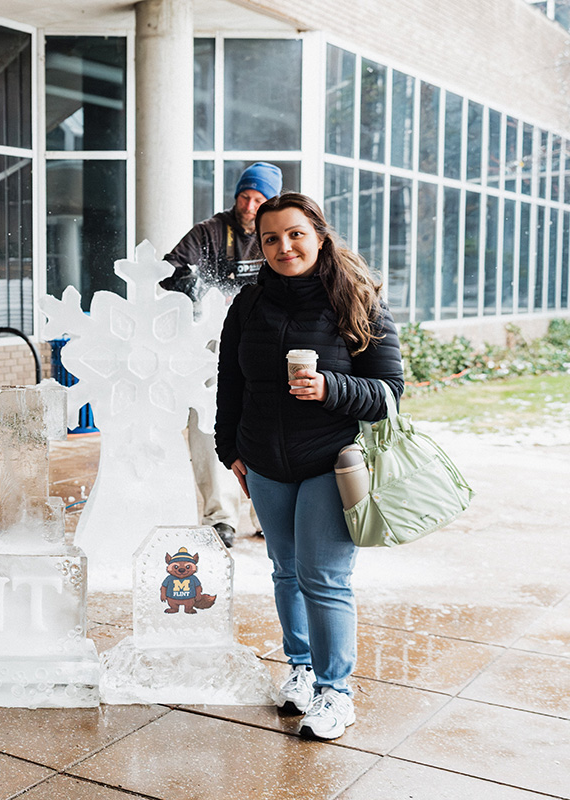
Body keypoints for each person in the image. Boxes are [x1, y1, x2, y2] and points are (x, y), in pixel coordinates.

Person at [214, 192, 403, 741]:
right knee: (285, 571)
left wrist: (329, 388)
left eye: (295, 233)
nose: (283, 246)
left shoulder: (358, 299)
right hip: (266, 462)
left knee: (323, 578)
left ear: (319, 235)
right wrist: (232, 450)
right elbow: (231, 384)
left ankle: (335, 693)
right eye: (270, 238)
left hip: (330, 460)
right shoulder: (248, 303)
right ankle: (299, 669)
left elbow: (390, 393)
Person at [160, 162, 283, 547]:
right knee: (210, 423)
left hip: (267, 340)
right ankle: (220, 516)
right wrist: (191, 286)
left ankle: (266, 513)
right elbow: (168, 269)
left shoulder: (278, 232)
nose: (249, 206)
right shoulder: (211, 231)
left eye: (258, 199)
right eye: (244, 197)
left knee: (267, 423)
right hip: (213, 345)